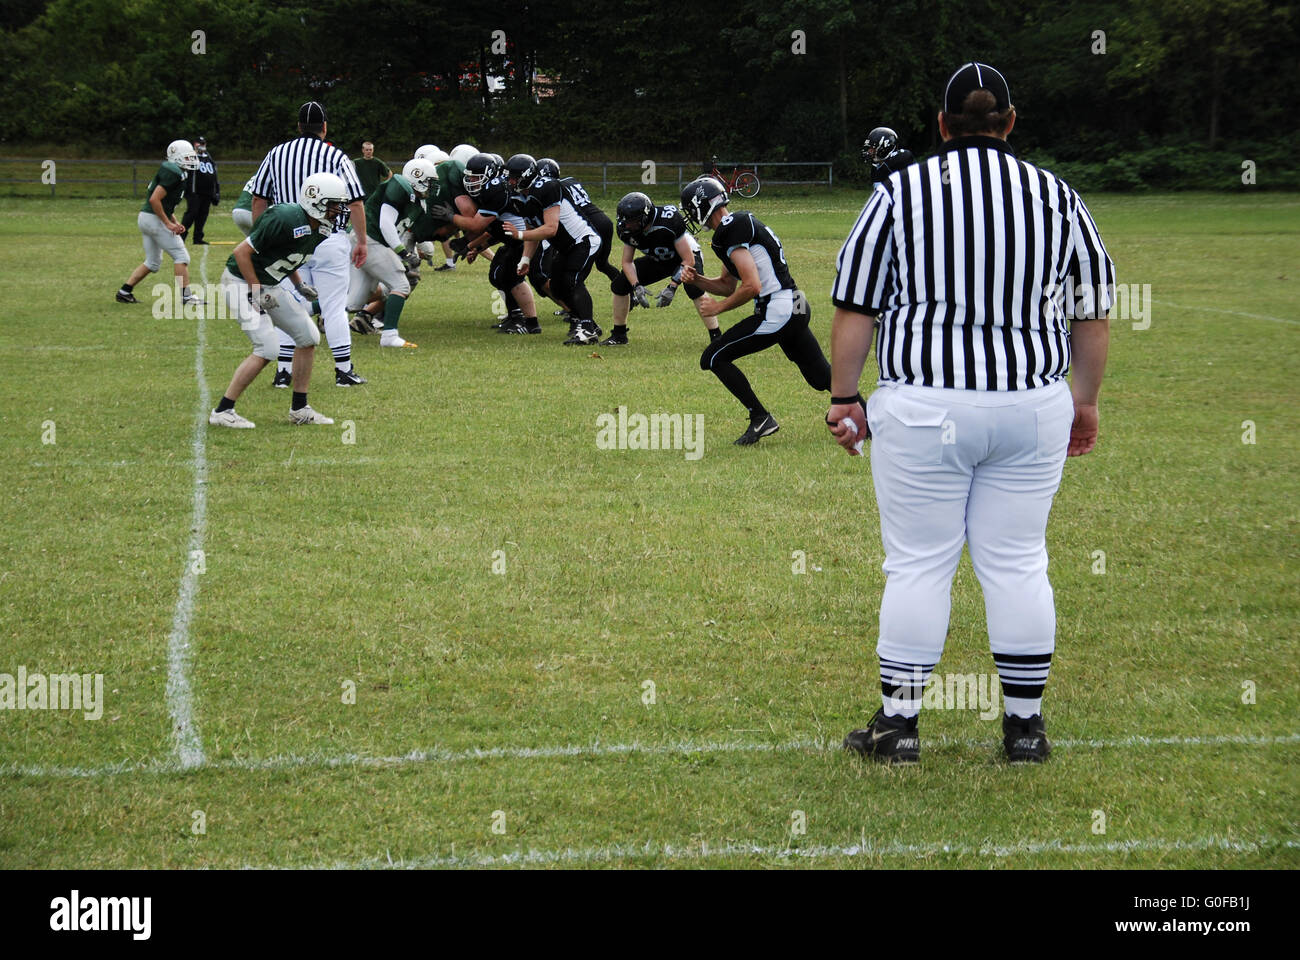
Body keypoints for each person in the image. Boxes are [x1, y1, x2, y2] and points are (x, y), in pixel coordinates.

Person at [828, 62, 1115, 764]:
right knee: (1018, 563)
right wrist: (1086, 400)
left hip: (925, 404)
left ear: (941, 124)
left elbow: (855, 305)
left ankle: (897, 728)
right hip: (1030, 404)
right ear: (1010, 123)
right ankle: (1025, 730)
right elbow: (1093, 309)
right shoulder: (1056, 194)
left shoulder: (898, 193)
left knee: (919, 565)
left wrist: (842, 397)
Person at [677, 176, 831, 445]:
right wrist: (698, 280)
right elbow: (727, 285)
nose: (690, 216)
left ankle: (760, 417)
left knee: (713, 358)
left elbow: (751, 286)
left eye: (691, 209)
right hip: (794, 303)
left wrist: (718, 309)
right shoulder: (730, 229)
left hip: (778, 308)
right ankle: (866, 415)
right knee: (819, 376)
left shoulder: (731, 228)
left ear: (702, 206)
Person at [208, 172, 350, 428]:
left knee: (308, 338)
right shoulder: (284, 217)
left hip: (269, 286)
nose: (337, 210)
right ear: (315, 200)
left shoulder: (321, 227)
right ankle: (223, 410)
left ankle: (300, 409)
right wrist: (255, 291)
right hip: (241, 282)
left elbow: (289, 254)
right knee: (268, 348)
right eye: (333, 204)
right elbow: (241, 253)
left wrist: (299, 284)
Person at [250, 101, 369, 387]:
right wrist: (361, 241)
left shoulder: (276, 154)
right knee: (333, 305)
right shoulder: (335, 156)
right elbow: (354, 201)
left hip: (287, 239)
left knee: (290, 305)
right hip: (328, 239)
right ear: (324, 128)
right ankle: (343, 370)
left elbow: (258, 199)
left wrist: (262, 237)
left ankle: (283, 372)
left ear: (298, 126)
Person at [345, 157, 453, 349]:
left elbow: (399, 231)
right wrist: (402, 254)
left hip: (374, 242)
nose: (432, 187)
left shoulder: (419, 204)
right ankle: (389, 336)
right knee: (401, 285)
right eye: (429, 181)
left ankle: (305, 307)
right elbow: (385, 223)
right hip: (370, 239)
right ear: (417, 178)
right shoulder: (400, 185)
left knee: (354, 300)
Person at [503, 154, 603, 345]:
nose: (510, 181)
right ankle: (588, 323)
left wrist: (519, 236)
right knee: (557, 287)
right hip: (565, 247)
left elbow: (550, 228)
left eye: (514, 177)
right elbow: (531, 228)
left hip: (583, 240)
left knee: (572, 280)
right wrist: (525, 259)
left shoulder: (547, 187)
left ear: (526, 175)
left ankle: (588, 329)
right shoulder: (519, 197)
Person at [604, 191, 714, 346]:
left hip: (686, 256)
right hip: (659, 259)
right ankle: (619, 335)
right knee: (620, 284)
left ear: (645, 217)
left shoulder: (668, 221)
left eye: (632, 221)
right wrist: (636, 286)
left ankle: (716, 336)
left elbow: (688, 259)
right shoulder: (627, 230)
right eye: (624, 220)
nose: (626, 225)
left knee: (694, 288)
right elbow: (627, 262)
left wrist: (672, 287)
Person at [115, 139, 203, 306]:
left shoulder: (178, 172)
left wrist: (174, 221)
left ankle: (124, 291)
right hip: (153, 218)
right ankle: (186, 296)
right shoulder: (173, 172)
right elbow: (155, 200)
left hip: (146, 218)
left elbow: (164, 204)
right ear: (176, 157)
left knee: (153, 262)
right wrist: (168, 224)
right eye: (187, 157)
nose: (191, 161)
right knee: (181, 256)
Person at [181, 136, 219, 244]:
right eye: (199, 143)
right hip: (194, 191)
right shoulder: (191, 156)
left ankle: (198, 238)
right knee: (192, 213)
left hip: (207, 192)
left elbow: (214, 175)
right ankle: (181, 236)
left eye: (203, 144)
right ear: (194, 144)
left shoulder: (209, 158)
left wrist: (216, 192)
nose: (201, 146)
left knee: (202, 215)